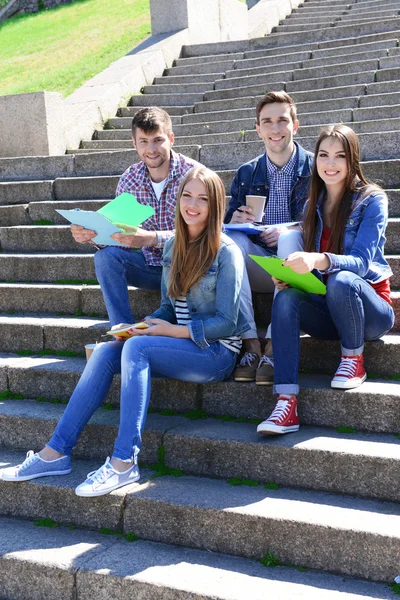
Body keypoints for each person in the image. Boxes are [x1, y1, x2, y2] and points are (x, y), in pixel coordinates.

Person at [1, 167, 248, 496]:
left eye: (202, 198)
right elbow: (168, 306)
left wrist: (170, 332)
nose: (192, 204)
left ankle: (124, 462)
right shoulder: (175, 245)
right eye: (187, 195)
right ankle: (55, 453)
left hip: (215, 353)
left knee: (138, 349)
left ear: (215, 205)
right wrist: (139, 326)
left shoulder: (226, 251)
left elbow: (227, 323)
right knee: (108, 349)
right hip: (182, 342)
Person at [257, 124, 395, 436]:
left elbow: (361, 263)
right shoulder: (312, 205)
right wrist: (290, 278)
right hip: (330, 310)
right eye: (323, 155)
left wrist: (318, 259)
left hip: (370, 311)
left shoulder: (372, 200)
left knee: (342, 278)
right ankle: (285, 402)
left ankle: (353, 359)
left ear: (352, 160)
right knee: (288, 297)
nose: (330, 164)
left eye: (339, 156)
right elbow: (315, 276)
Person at [70, 106, 199, 326]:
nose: (151, 149)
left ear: (171, 138)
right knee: (106, 257)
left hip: (187, 269)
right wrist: (94, 235)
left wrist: (150, 238)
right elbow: (122, 234)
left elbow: (205, 233)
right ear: (134, 143)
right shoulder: (130, 179)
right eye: (143, 141)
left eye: (158, 140)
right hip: (148, 267)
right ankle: (120, 329)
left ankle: (156, 321)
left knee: (178, 263)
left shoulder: (194, 175)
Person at [225, 91, 313, 385]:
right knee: (232, 242)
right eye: (267, 122)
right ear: (258, 129)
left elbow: (330, 223)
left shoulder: (316, 168)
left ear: (295, 125)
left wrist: (294, 231)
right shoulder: (246, 173)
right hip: (260, 267)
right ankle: (251, 343)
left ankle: (275, 344)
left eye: (282, 120)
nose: (275, 129)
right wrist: (233, 221)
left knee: (288, 239)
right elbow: (222, 229)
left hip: (300, 266)